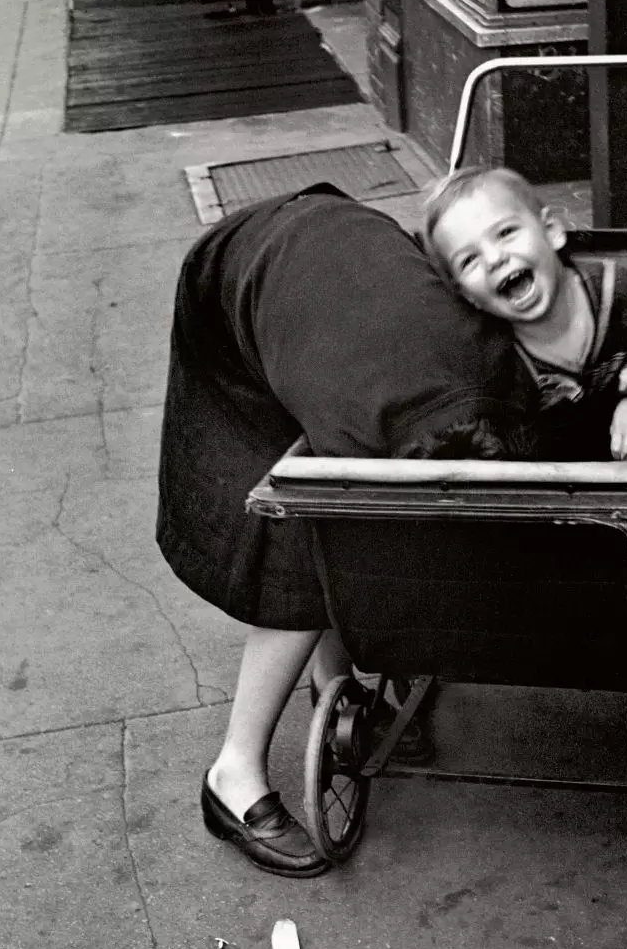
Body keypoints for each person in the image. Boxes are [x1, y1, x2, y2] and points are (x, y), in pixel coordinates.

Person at [156, 183, 534, 879]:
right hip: (236, 278)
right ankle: (231, 777)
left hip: (335, 260)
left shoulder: (494, 366)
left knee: (341, 532)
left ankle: (342, 692)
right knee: (300, 546)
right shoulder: (357, 417)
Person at [421, 164, 627, 678]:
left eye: (506, 232)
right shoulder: (496, 349)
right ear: (465, 294)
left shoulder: (611, 289)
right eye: (470, 260)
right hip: (558, 466)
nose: (496, 257)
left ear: (551, 232)